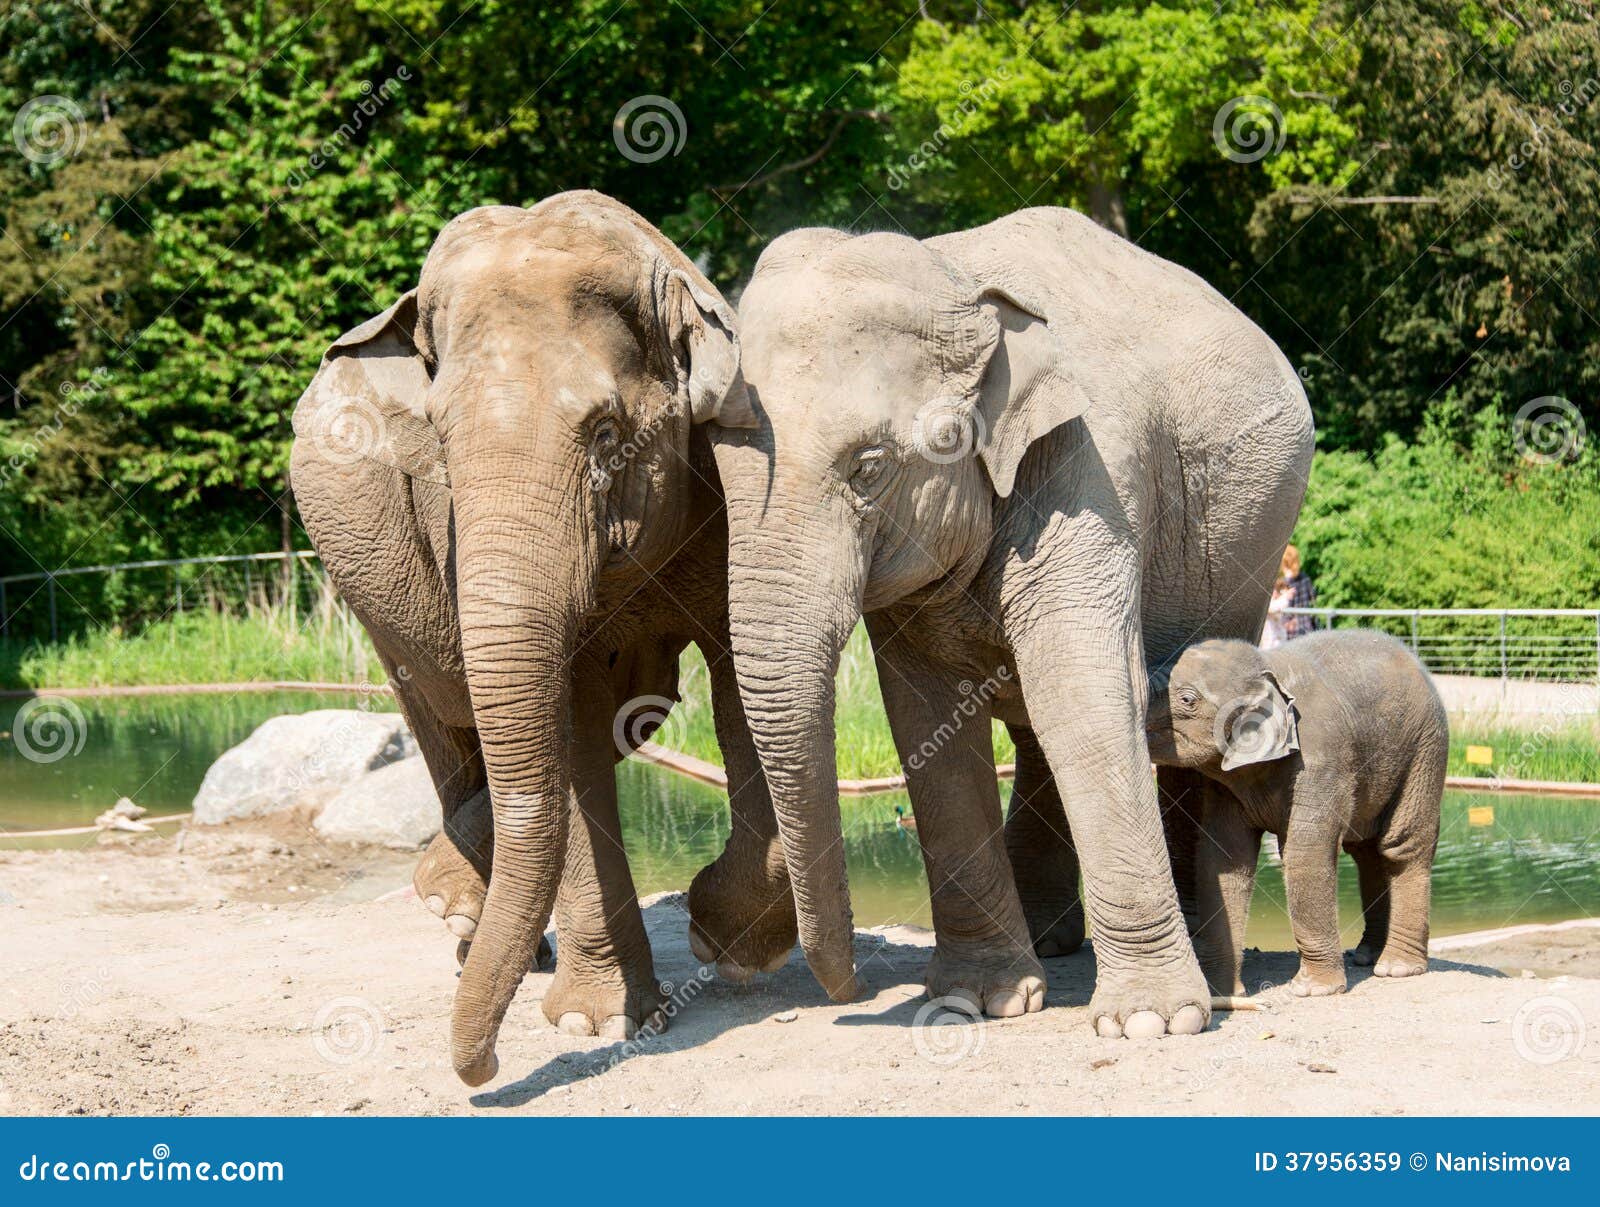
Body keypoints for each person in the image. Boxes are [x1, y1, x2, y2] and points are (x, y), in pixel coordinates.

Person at [1278, 543, 1320, 638]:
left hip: (1290, 630)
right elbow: (1313, 597)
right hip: (1307, 626)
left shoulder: (1282, 583)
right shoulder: (1305, 578)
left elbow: (1284, 609)